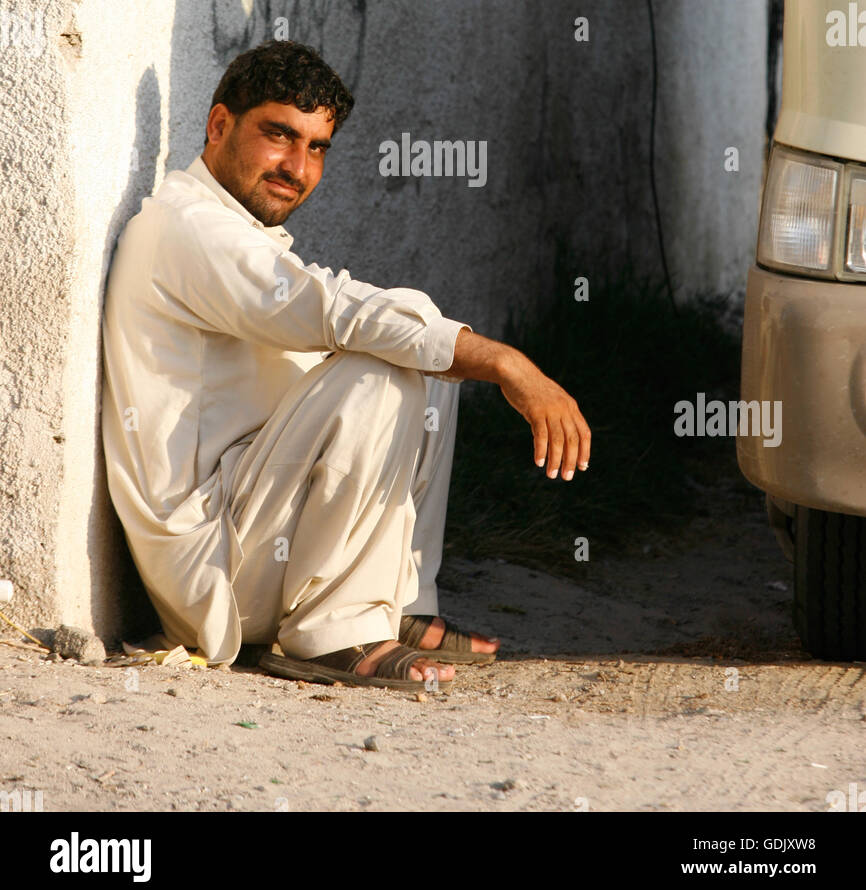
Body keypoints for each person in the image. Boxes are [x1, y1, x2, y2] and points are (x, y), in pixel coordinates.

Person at [101, 40, 591, 693]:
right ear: (219, 126)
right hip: (213, 573)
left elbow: (370, 319)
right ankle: (333, 633)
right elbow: (337, 310)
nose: (297, 166)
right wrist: (507, 363)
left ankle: (396, 601)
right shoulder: (186, 228)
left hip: (253, 541)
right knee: (382, 364)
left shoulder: (230, 230)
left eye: (317, 147)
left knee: (412, 321)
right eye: (278, 136)